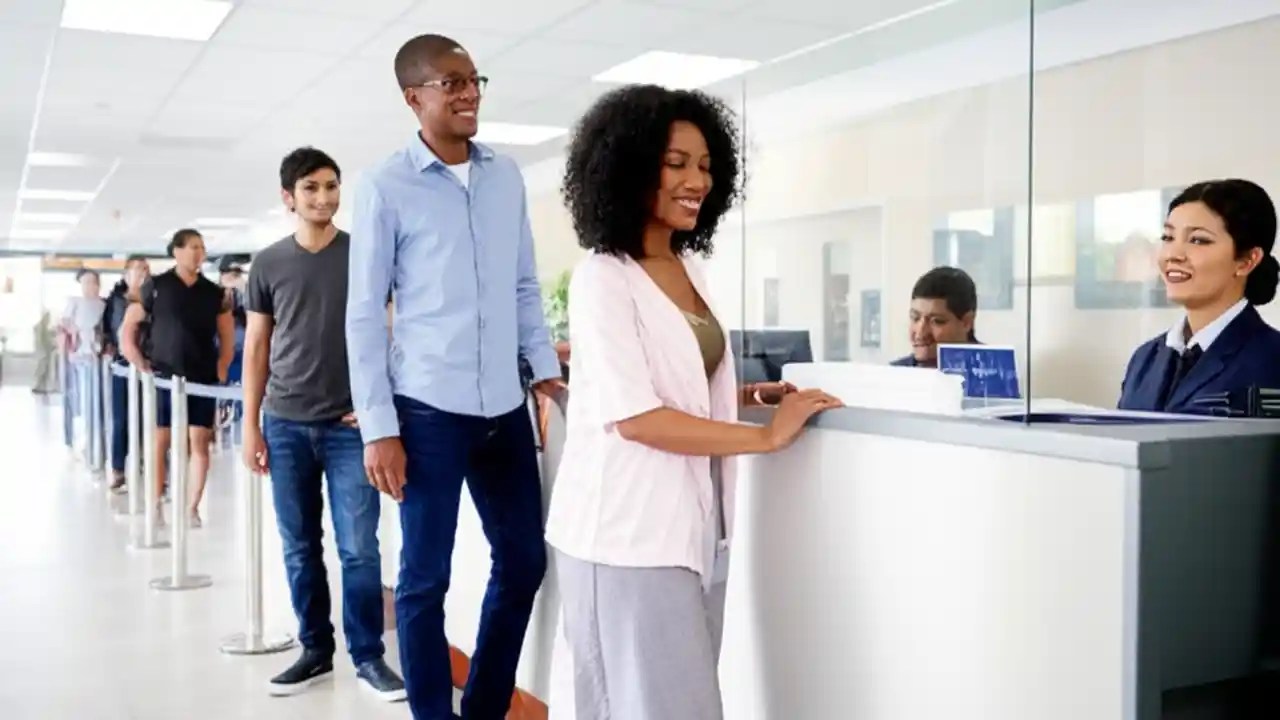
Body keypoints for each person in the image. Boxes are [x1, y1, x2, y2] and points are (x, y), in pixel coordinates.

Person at [545, 84, 842, 720]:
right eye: (675, 163)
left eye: (705, 165)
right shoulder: (603, 277)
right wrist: (766, 437)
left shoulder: (688, 270)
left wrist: (746, 395)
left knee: (679, 701)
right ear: (629, 168)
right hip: (622, 533)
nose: (696, 181)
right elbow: (635, 416)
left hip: (692, 529)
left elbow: (672, 384)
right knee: (650, 706)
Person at [346, 33, 561, 719]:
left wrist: (545, 374)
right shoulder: (385, 185)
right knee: (423, 581)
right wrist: (379, 428)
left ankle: (485, 709)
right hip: (428, 413)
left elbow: (523, 285)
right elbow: (363, 314)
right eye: (452, 83)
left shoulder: (505, 176)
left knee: (523, 562)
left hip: (503, 409)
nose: (469, 93)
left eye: (474, 80)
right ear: (414, 98)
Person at [242, 147, 406, 700]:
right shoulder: (268, 263)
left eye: (331, 186)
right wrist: (251, 425)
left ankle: (368, 656)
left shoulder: (364, 256)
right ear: (288, 197)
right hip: (285, 423)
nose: (323, 197)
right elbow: (257, 347)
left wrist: (382, 402)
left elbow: (393, 331)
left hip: (349, 428)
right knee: (299, 545)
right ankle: (315, 650)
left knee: (359, 548)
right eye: (311, 188)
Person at [1119, 179, 1280, 415]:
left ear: (1247, 260)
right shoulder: (1144, 359)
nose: (1173, 255)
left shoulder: (1273, 358)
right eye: (1168, 237)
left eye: (1198, 240)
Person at [120, 229, 233, 527]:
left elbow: (226, 335)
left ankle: (192, 507)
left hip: (201, 376)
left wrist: (222, 365)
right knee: (161, 441)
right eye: (192, 247)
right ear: (177, 251)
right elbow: (129, 327)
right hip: (164, 374)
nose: (198, 253)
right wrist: (137, 359)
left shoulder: (214, 293)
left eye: (201, 247)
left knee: (199, 442)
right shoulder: (156, 286)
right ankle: (155, 502)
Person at [101, 255, 151, 492]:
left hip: (150, 366)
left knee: (150, 418)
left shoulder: (154, 300)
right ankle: (118, 469)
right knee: (121, 418)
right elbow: (109, 330)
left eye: (145, 270)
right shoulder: (116, 301)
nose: (141, 274)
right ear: (126, 274)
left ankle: (148, 465)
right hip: (122, 365)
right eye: (137, 269)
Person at [890, 266, 980, 368]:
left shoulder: (994, 371)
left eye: (937, 321)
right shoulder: (893, 374)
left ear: (966, 322)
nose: (920, 333)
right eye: (915, 318)